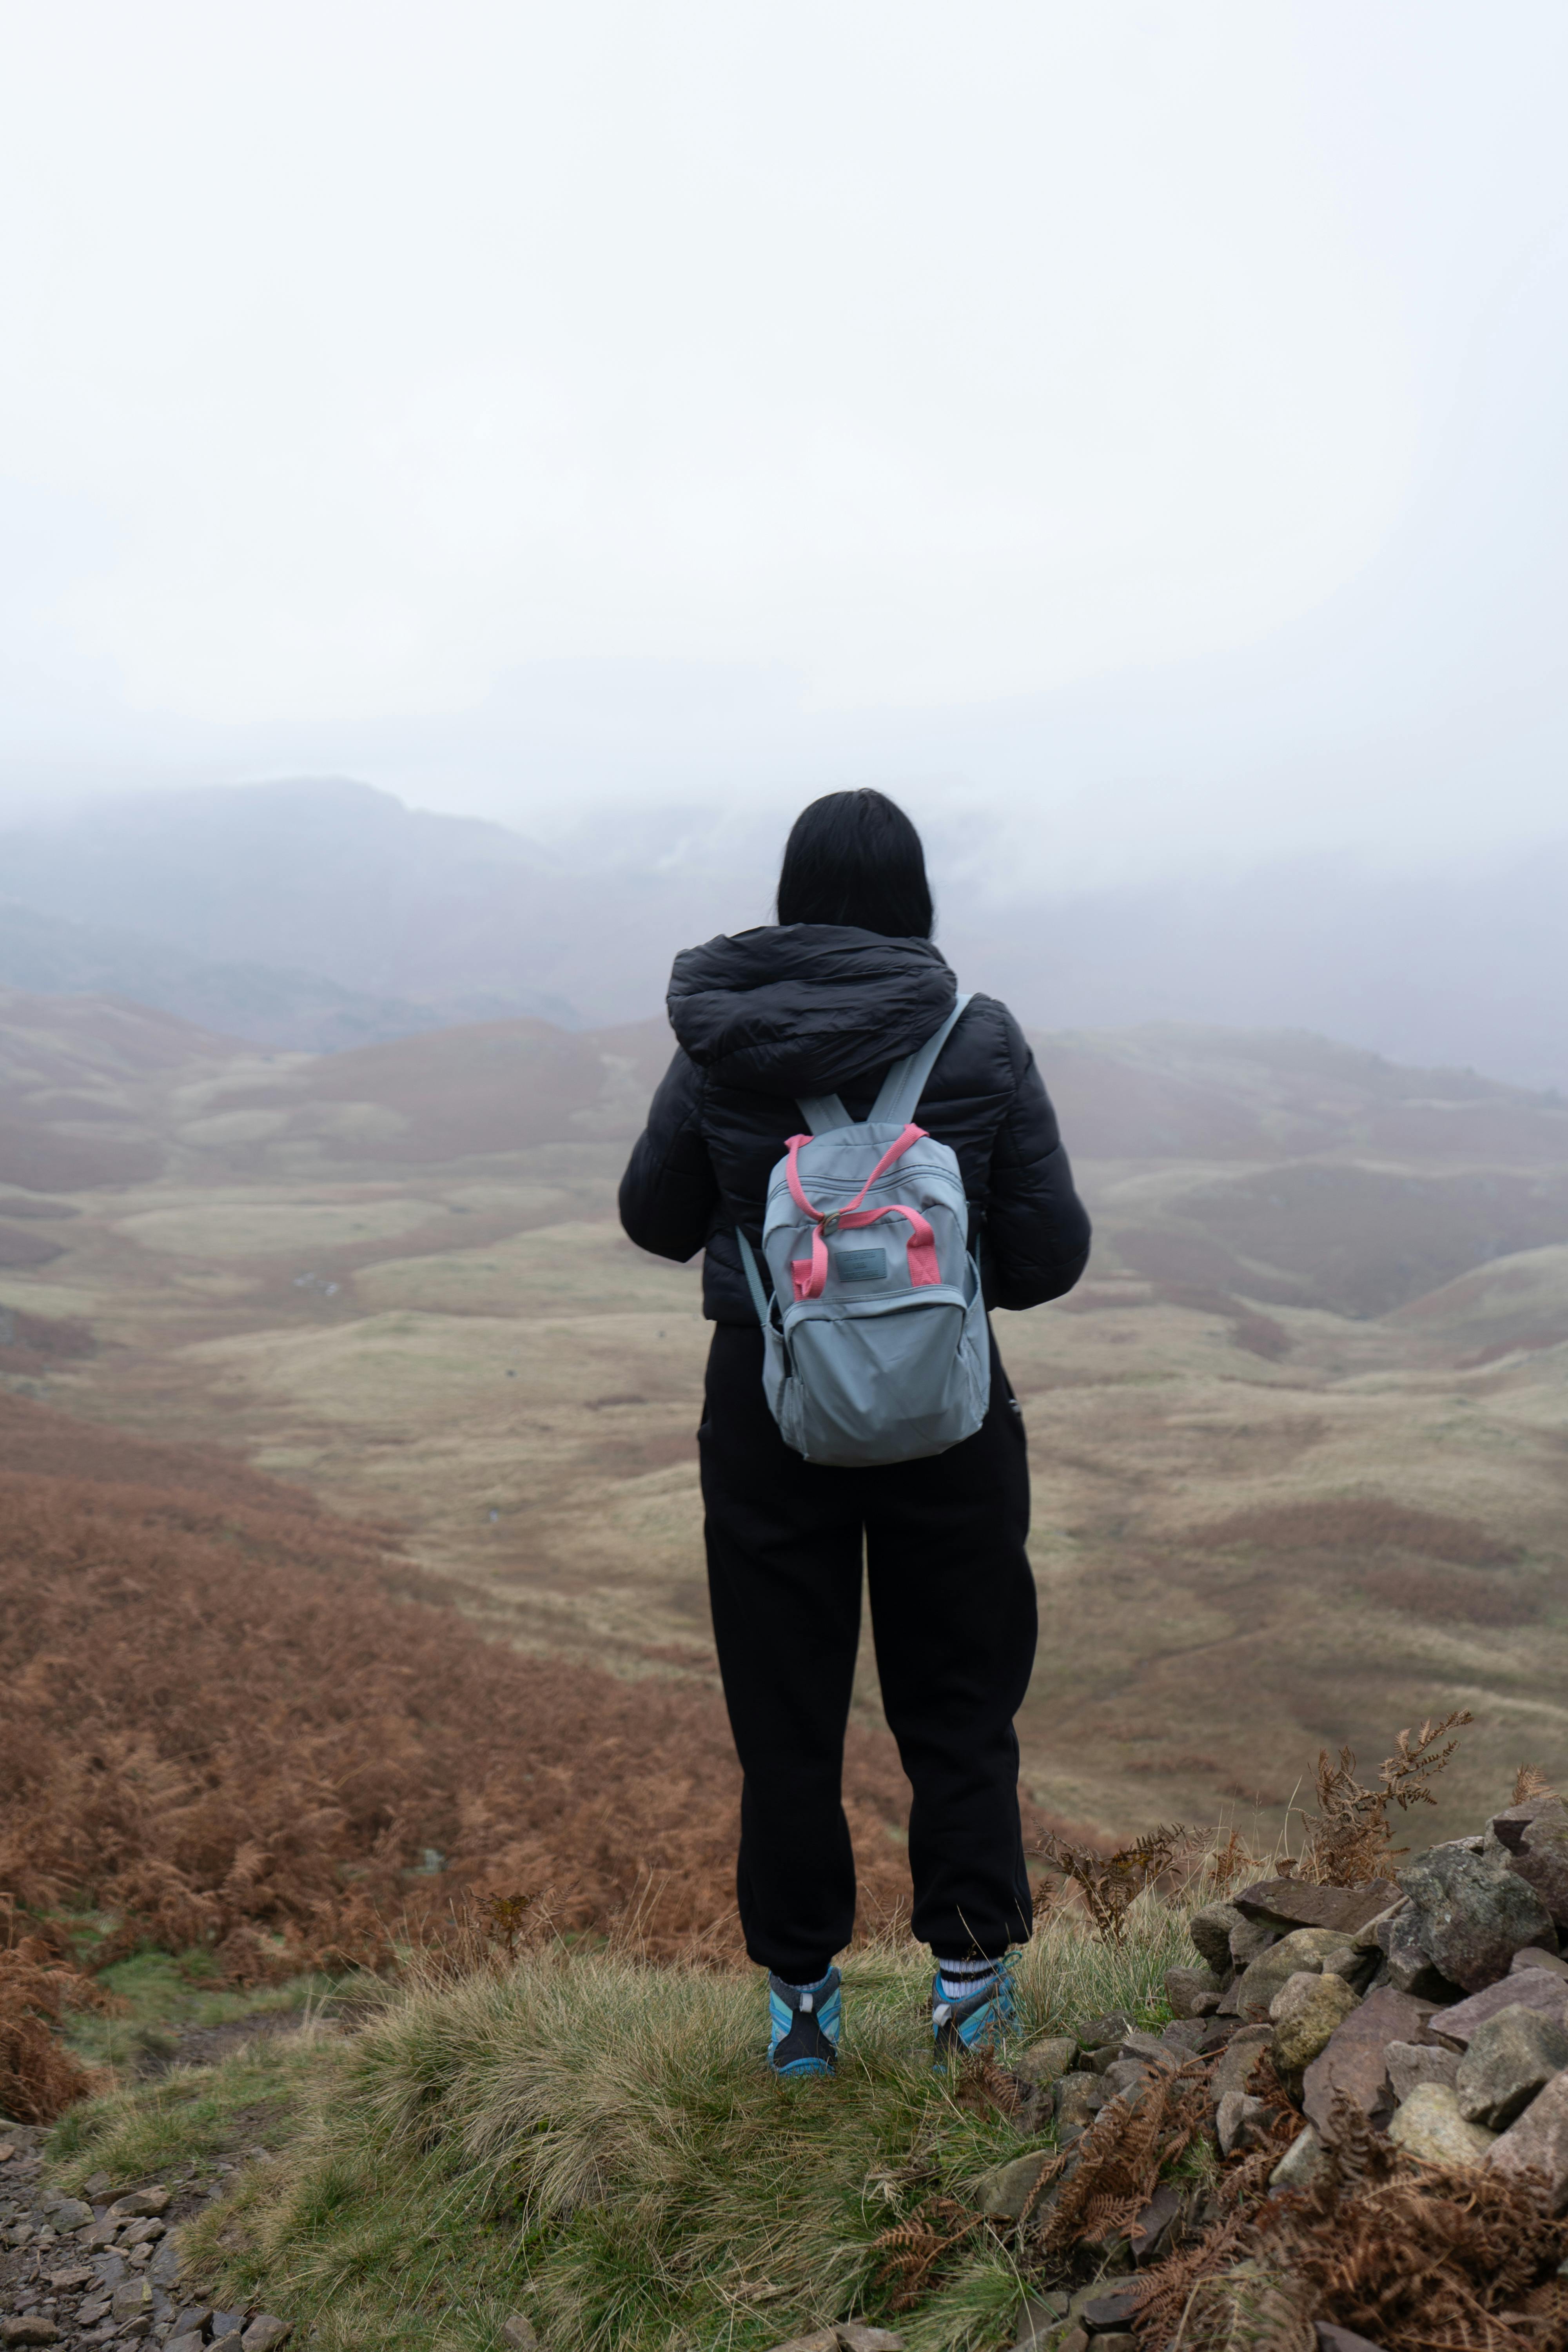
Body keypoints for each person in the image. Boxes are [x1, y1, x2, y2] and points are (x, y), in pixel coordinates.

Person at [618, 789, 1091, 2075]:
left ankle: (804, 2018)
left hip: (769, 1420)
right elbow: (1050, 1257)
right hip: (951, 1421)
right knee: (959, 1705)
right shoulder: (977, 1038)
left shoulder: (721, 1043)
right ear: (915, 897)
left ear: (791, 892)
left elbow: (655, 1220)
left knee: (787, 1719)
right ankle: (971, 2005)